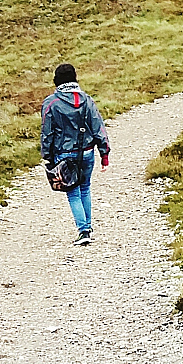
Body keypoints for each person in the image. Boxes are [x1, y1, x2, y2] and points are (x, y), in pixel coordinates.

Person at [39, 62, 111, 244]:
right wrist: (104, 153)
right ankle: (87, 226)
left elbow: (47, 133)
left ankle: (84, 230)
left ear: (57, 80)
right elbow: (98, 127)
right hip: (87, 152)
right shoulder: (87, 100)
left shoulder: (51, 103)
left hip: (64, 155)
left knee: (73, 192)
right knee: (85, 188)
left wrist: (47, 156)